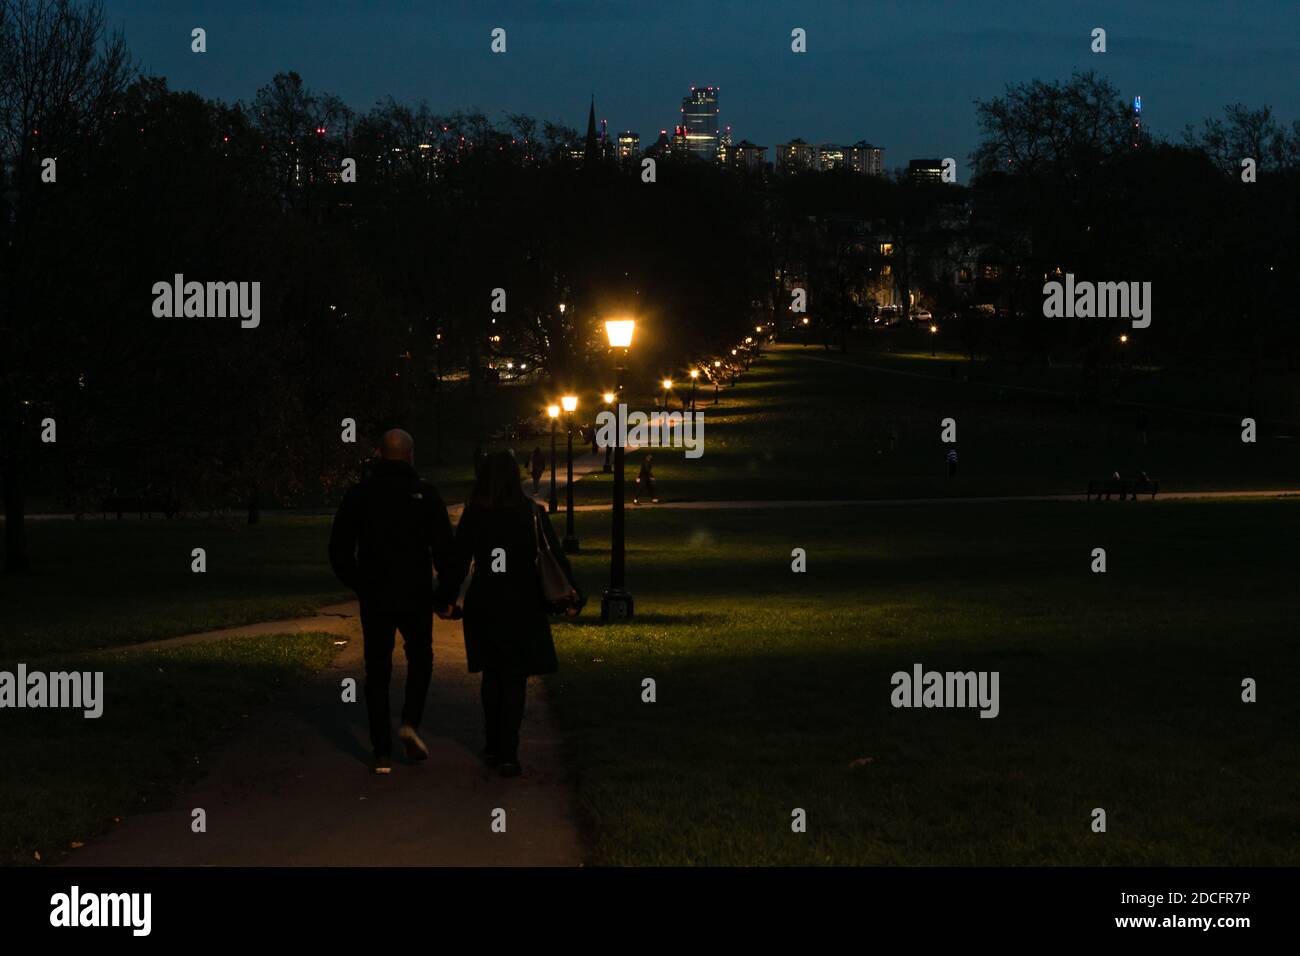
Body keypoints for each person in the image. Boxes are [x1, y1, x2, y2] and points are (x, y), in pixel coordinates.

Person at [434, 451, 583, 778]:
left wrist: (445, 599)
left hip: (486, 601)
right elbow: (554, 555)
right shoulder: (531, 513)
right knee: (514, 677)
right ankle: (507, 752)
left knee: (492, 673)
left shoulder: (475, 514)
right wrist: (573, 594)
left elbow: (458, 562)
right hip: (523, 602)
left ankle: (492, 743)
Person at [329, 429, 455, 775]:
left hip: (376, 592)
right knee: (420, 656)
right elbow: (445, 548)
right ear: (411, 454)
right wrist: (444, 595)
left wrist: (359, 582)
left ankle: (380, 751)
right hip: (414, 589)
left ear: (379, 455)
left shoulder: (360, 495)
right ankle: (410, 721)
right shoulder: (425, 494)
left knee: (377, 668)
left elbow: (339, 549)